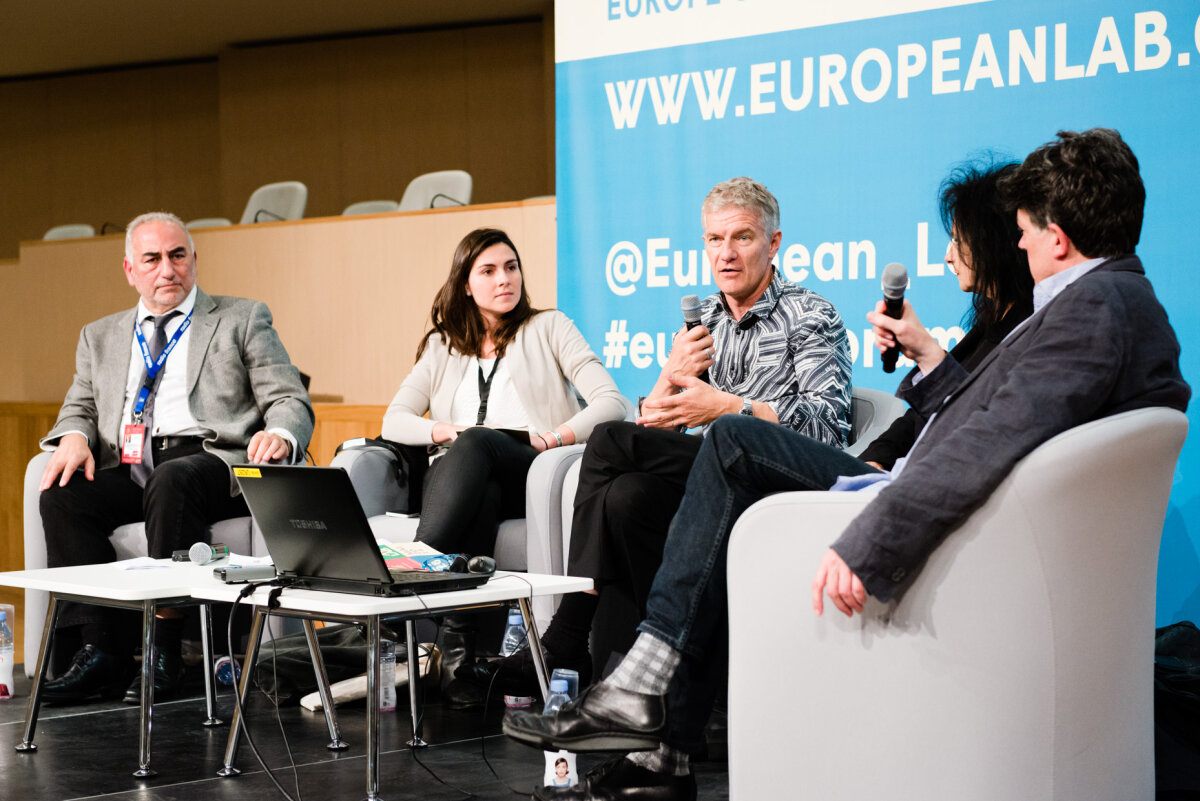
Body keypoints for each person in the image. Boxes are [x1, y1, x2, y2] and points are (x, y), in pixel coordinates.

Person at [502, 129, 1190, 801]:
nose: (1018, 242)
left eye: (1025, 230)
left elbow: (987, 441)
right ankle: (658, 734)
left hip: (926, 512)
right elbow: (981, 417)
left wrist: (871, 541)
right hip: (911, 488)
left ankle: (643, 692)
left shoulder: (1092, 309)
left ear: (1057, 237)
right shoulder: (1106, 303)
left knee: (732, 443)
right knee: (644, 485)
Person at [466, 176, 852, 700]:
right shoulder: (704, 322)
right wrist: (669, 375)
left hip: (770, 482)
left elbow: (830, 428)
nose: (727, 254)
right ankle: (650, 680)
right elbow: (654, 426)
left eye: (742, 237)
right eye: (715, 240)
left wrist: (730, 407)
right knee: (625, 497)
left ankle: (567, 634)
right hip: (706, 483)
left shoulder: (810, 314)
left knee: (605, 441)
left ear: (774, 243)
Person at [38, 211, 313, 704]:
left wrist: (281, 434)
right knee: (63, 496)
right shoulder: (99, 336)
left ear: (193, 260)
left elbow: (289, 399)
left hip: (210, 460)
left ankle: (165, 648)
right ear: (130, 269)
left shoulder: (240, 317)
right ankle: (102, 651)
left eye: (177, 255)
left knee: (174, 478)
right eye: (153, 258)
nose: (168, 269)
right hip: (130, 461)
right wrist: (73, 436)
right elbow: (79, 406)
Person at [380, 226, 626, 705]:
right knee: (477, 472)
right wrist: (443, 431)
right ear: (466, 284)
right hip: (464, 475)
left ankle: (413, 567)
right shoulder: (442, 346)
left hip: (530, 467)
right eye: (489, 271)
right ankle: (458, 664)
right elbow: (393, 420)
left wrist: (554, 437)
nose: (504, 279)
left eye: (511, 267)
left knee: (479, 447)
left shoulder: (550, 327)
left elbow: (611, 401)